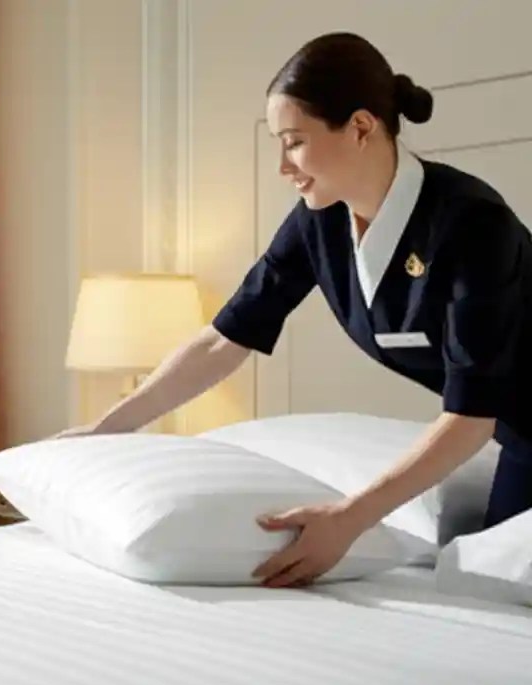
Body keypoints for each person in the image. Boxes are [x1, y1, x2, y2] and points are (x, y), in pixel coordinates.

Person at [56, 32, 532, 589]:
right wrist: (106, 430)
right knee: (490, 585)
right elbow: (222, 340)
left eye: (294, 142)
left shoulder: (471, 223)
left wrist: (350, 518)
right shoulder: (319, 222)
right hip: (520, 435)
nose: (283, 166)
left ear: (360, 127)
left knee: (500, 589)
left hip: (498, 428)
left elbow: (470, 417)